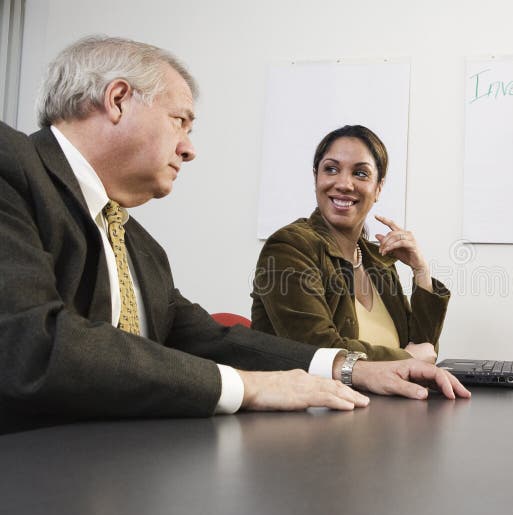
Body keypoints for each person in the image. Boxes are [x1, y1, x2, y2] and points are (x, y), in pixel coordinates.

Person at [0, 36, 468, 435]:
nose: (189, 148)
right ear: (118, 99)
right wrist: (247, 386)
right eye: (180, 121)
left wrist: (352, 368)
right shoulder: (11, 167)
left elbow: (210, 338)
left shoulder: (138, 245)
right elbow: (32, 347)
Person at [251, 125, 449, 363]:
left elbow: (425, 350)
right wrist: (405, 358)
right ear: (316, 178)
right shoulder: (289, 247)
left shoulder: (378, 260)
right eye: (331, 169)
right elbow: (317, 350)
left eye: (360, 173)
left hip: (383, 400)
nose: (344, 183)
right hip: (309, 399)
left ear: (378, 188)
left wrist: (421, 272)